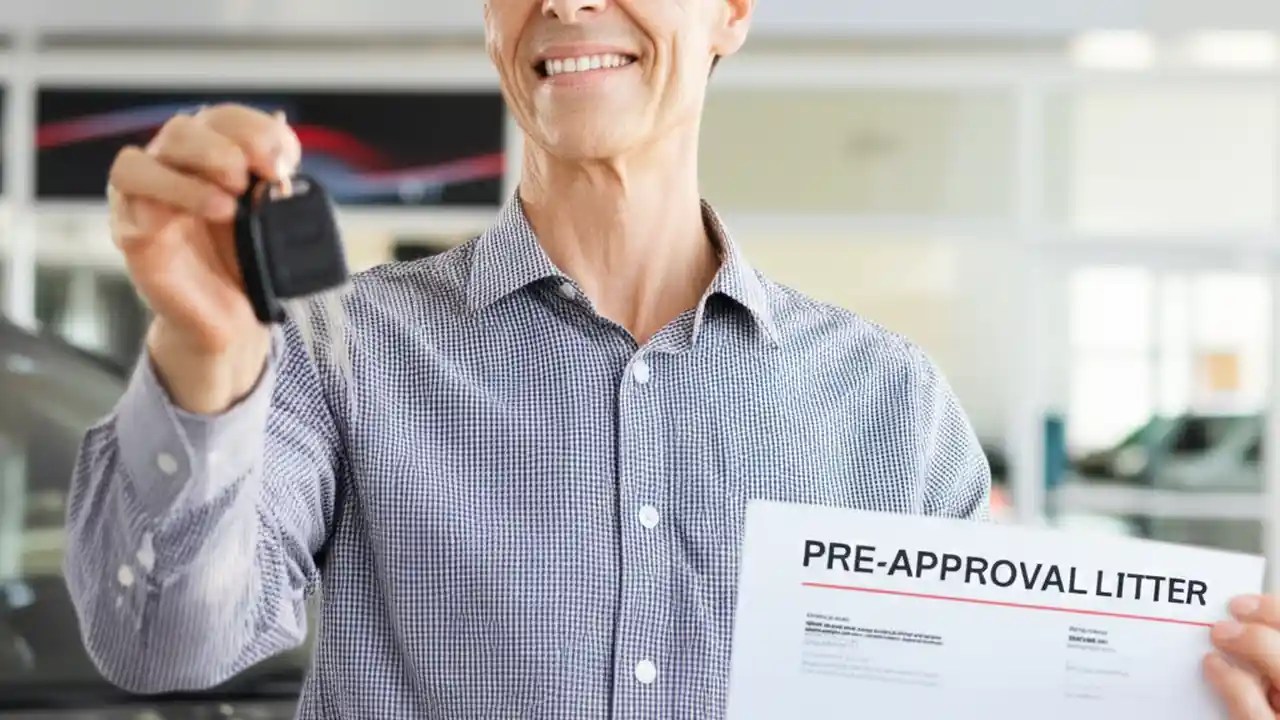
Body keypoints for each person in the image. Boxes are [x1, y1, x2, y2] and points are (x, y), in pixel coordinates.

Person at [61, 0, 1280, 717]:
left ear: (733, 14)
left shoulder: (885, 403)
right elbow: (161, 645)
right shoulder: (336, 352)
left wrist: (1196, 689)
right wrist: (205, 348)